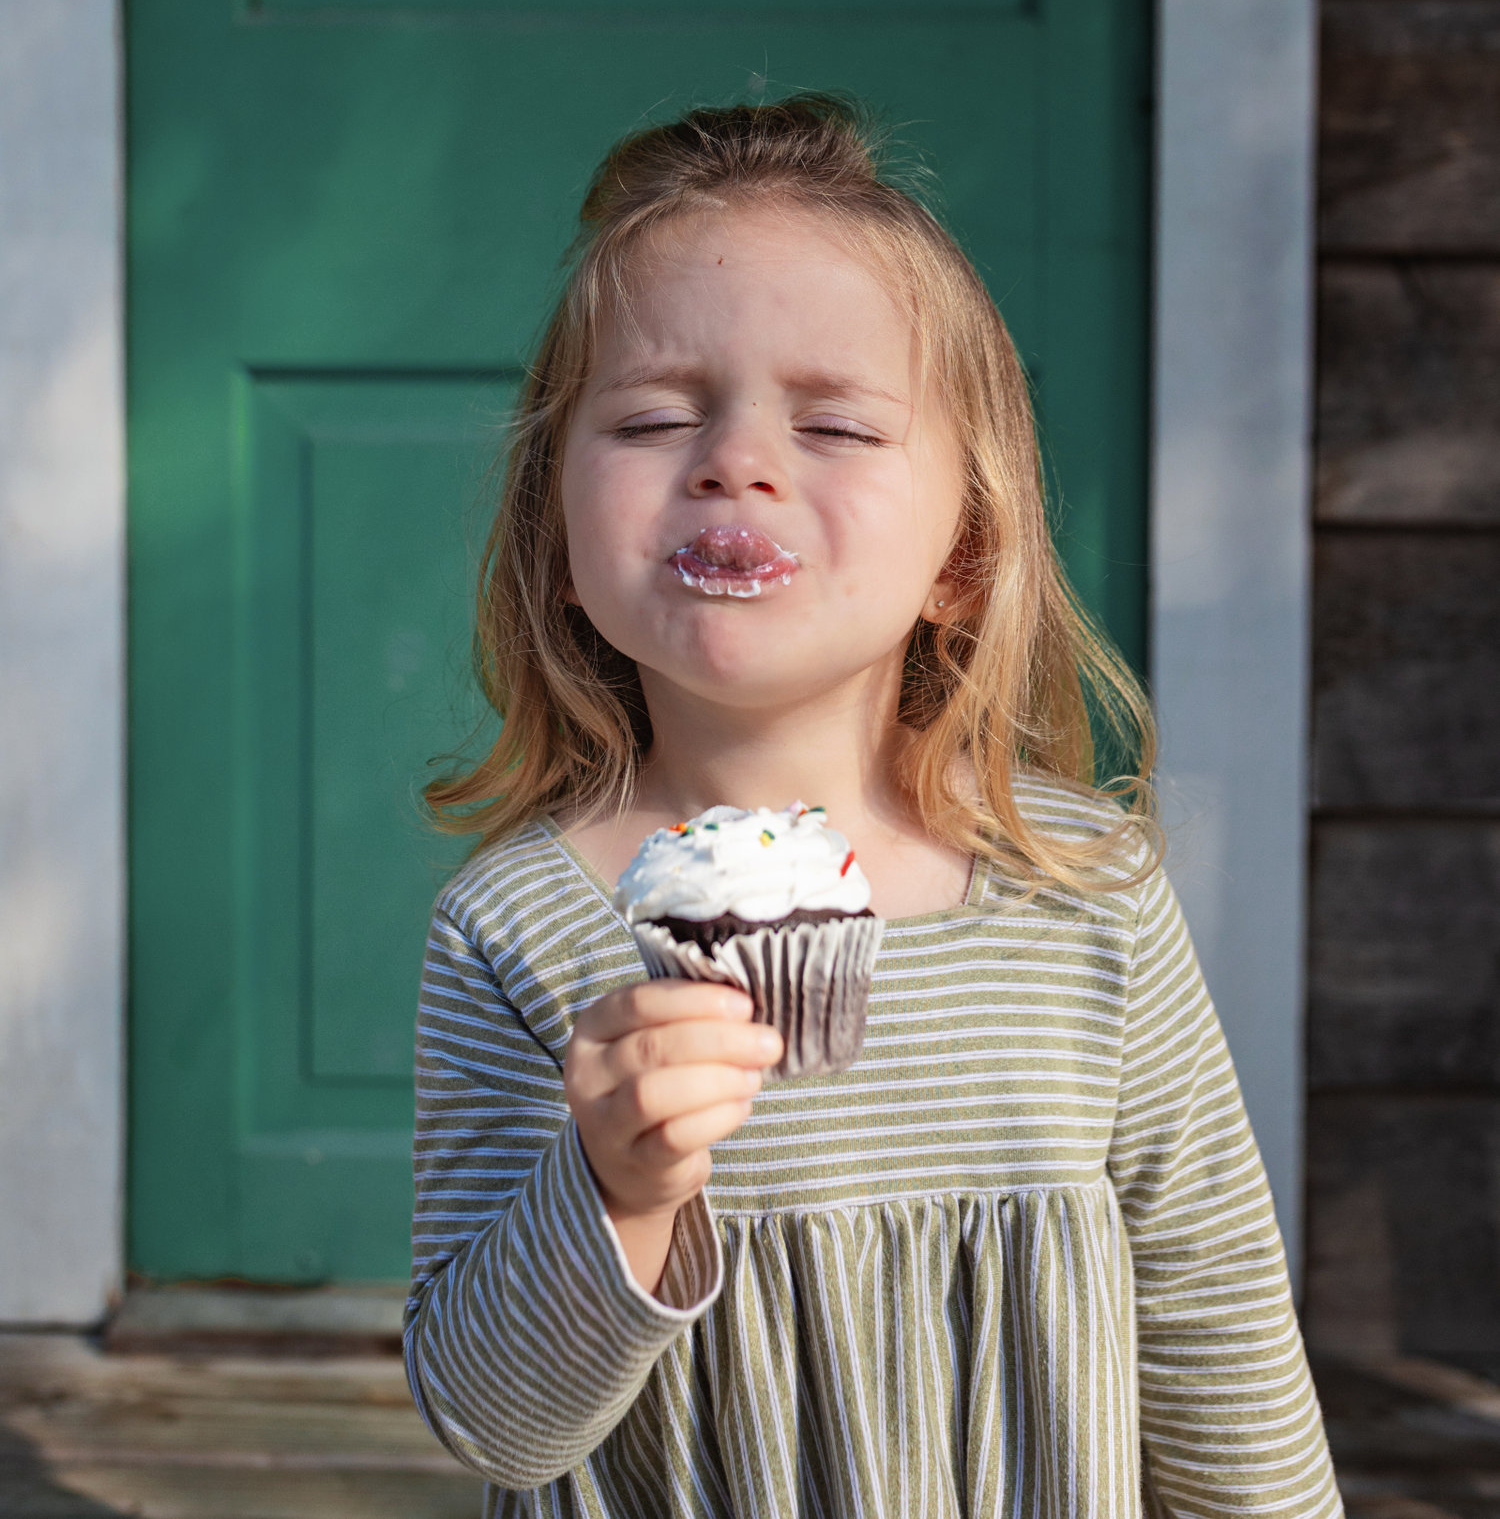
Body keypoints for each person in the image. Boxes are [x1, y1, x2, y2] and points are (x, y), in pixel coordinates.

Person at [404, 96, 1342, 1518]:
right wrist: (615, 1193)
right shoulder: (516, 931)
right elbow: (493, 1427)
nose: (735, 460)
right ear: (560, 539)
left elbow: (1218, 1328)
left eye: (835, 423)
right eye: (654, 419)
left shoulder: (1082, 892)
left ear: (962, 553)